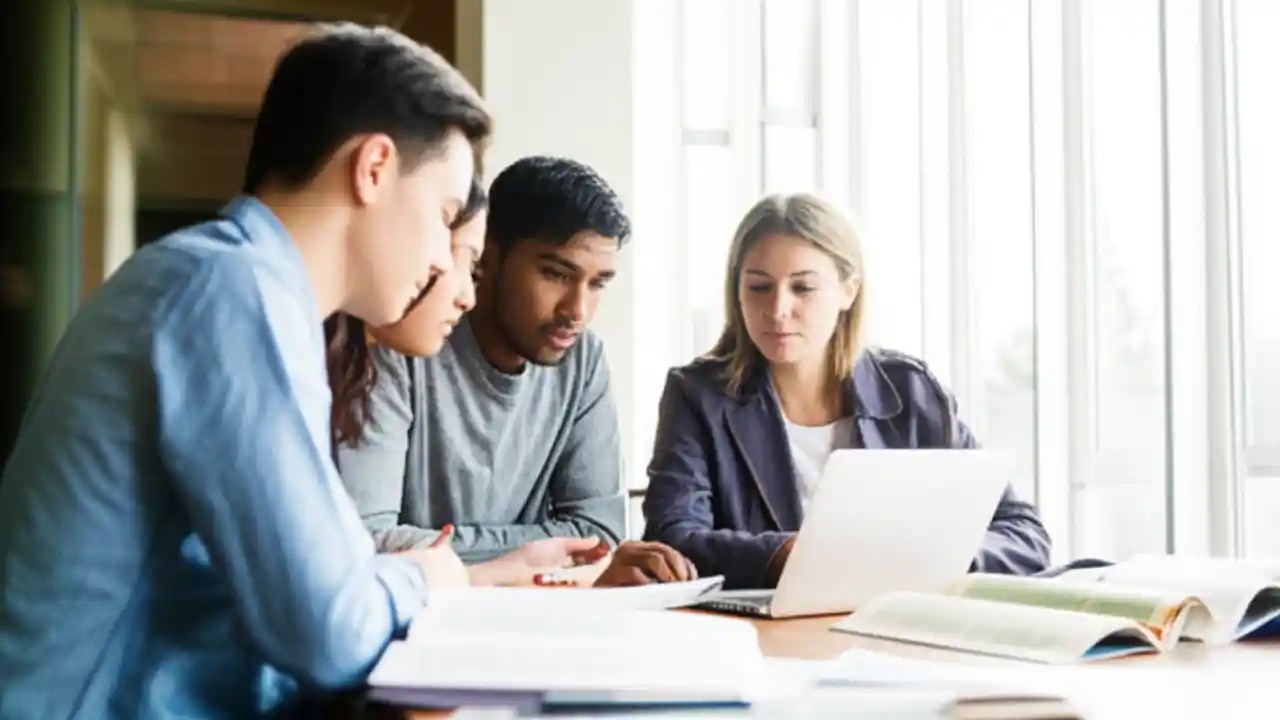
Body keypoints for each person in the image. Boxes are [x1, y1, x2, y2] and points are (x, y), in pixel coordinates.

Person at [0, 24, 501, 719]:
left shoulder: (247, 291)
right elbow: (329, 629)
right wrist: (428, 577)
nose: (446, 263)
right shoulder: (228, 288)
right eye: (444, 215)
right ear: (374, 168)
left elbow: (327, 586)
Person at [642, 193, 1052, 591]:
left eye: (802, 288)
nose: (778, 309)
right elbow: (672, 538)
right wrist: (788, 555)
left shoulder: (910, 391)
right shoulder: (697, 396)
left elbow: (1023, 535)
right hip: (763, 637)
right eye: (759, 287)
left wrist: (935, 562)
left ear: (847, 290)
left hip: (898, 628)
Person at [329, 178, 696, 585]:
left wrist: (501, 560)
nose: (577, 310)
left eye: (598, 284)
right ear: (487, 255)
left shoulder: (584, 360)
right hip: (411, 618)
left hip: (525, 619)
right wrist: (532, 556)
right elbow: (368, 537)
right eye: (556, 274)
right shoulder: (400, 341)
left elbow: (600, 536)